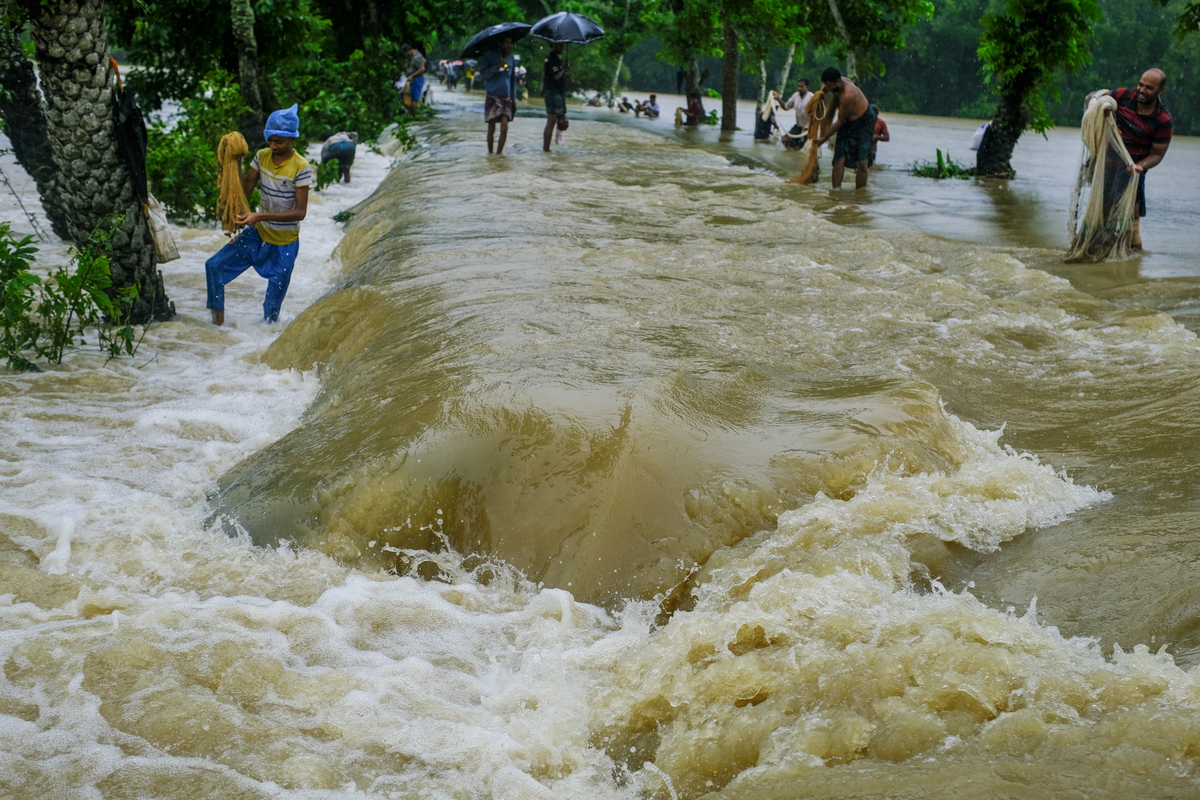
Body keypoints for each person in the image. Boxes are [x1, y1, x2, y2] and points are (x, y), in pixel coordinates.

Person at [206, 104, 312, 325]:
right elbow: (245, 189)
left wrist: (259, 216)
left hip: (285, 244)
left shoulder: (301, 166)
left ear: (292, 139)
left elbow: (300, 213)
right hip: (258, 235)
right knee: (214, 266)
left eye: (279, 142)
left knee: (272, 308)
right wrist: (232, 167)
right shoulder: (262, 156)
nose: (273, 146)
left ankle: (265, 341)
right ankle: (216, 327)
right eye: (270, 140)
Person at [1086, 68, 1173, 250]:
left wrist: (1140, 166)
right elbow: (1090, 98)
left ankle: (1130, 259)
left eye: (1149, 88)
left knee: (1131, 217)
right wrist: (1098, 100)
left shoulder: (1163, 120)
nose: (1141, 90)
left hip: (1132, 171)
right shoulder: (1123, 95)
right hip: (1106, 165)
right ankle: (1097, 249)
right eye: (1141, 84)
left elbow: (1157, 155)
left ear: (1160, 91)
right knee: (1102, 211)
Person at [813, 66, 876, 189]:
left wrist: (823, 138)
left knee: (862, 163)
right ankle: (836, 191)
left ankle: (860, 196)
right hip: (848, 121)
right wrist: (821, 94)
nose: (828, 89)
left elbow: (839, 122)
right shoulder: (837, 82)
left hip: (864, 122)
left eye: (829, 86)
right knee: (839, 158)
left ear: (837, 82)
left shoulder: (848, 95)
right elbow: (826, 88)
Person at [478, 35, 517, 155]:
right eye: (505, 42)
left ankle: (499, 155)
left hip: (506, 97)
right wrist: (496, 67)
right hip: (492, 96)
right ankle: (490, 153)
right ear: (499, 42)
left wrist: (513, 98)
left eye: (509, 42)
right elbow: (483, 75)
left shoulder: (511, 59)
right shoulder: (489, 56)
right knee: (491, 127)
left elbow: (512, 80)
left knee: (504, 127)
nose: (508, 45)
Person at [543, 42, 569, 152]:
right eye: (560, 45)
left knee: (560, 120)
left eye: (563, 45)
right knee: (551, 121)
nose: (562, 47)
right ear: (553, 45)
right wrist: (564, 69)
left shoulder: (555, 59)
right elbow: (556, 76)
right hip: (553, 93)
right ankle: (546, 149)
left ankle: (555, 144)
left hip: (557, 93)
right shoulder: (552, 59)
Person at [400, 44, 426, 115]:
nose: (405, 55)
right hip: (412, 79)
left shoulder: (416, 57)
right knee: (404, 95)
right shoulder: (413, 56)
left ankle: (413, 115)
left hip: (416, 79)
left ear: (409, 51)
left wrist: (412, 76)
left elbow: (422, 69)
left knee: (412, 99)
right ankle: (410, 113)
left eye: (405, 53)